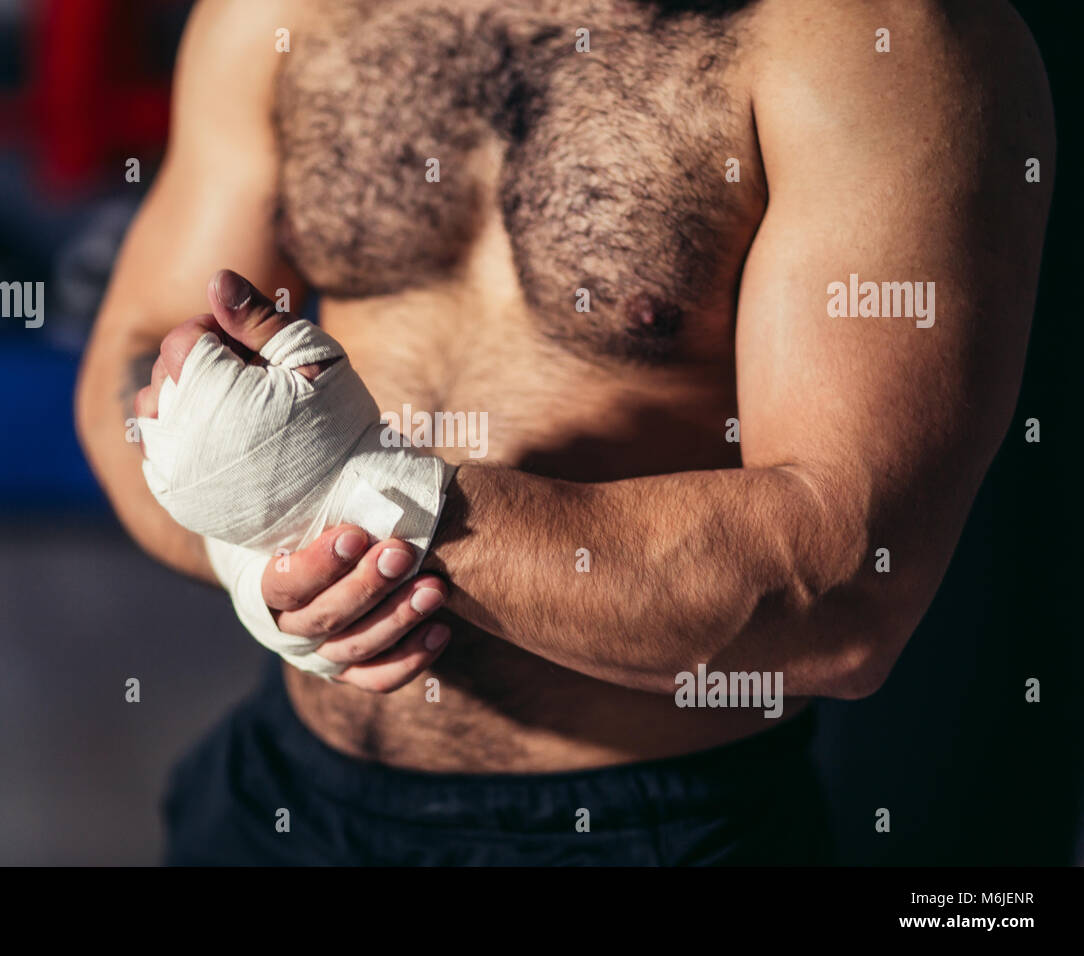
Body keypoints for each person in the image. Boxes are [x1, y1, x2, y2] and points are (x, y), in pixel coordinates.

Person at [75, 0, 1054, 865]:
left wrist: (336, 498)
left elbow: (841, 580)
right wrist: (262, 556)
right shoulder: (287, 13)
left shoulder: (880, 39)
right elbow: (135, 351)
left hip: (649, 826)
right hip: (283, 794)